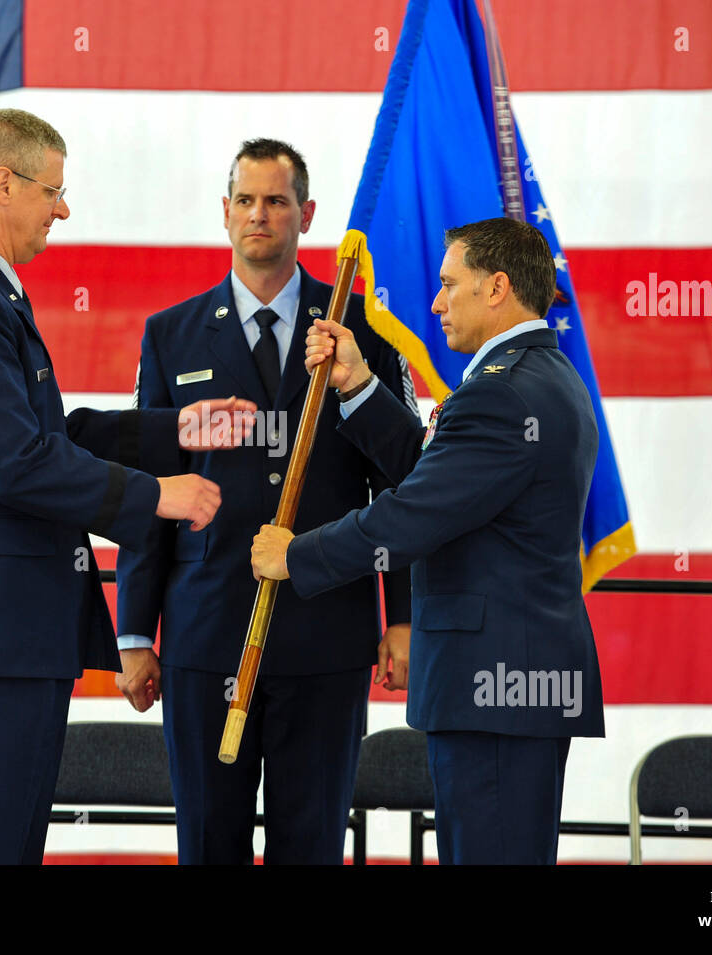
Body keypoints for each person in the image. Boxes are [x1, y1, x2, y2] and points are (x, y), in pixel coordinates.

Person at [0, 108, 253, 864]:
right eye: (53, 189)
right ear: (2, 184)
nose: (63, 208)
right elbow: (17, 462)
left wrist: (175, 430)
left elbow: (49, 434)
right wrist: (159, 496)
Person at [251, 217, 604, 864]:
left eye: (448, 284)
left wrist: (295, 555)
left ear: (497, 287)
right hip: (511, 681)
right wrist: (358, 383)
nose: (435, 302)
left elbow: (410, 513)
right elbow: (436, 472)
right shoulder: (535, 375)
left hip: (495, 684)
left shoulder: (501, 392)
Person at [114, 138, 416, 864]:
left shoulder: (364, 328)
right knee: (208, 844)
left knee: (309, 845)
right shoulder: (170, 334)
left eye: (277, 201)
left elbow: (403, 485)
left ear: (305, 214)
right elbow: (149, 494)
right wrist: (131, 634)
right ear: (224, 213)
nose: (260, 215)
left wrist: (402, 616)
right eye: (245, 201)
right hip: (203, 634)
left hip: (328, 635)